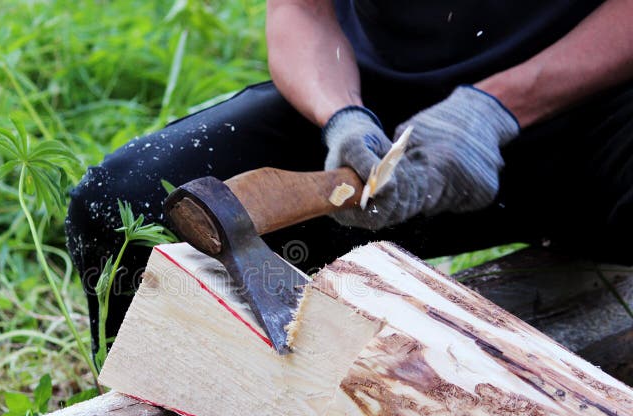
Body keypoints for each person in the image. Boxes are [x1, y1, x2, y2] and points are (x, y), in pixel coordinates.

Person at [66, 0, 633, 357]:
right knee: (122, 206)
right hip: (384, 129)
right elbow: (300, 10)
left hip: (593, 115)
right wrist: (340, 115)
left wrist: (495, 107)